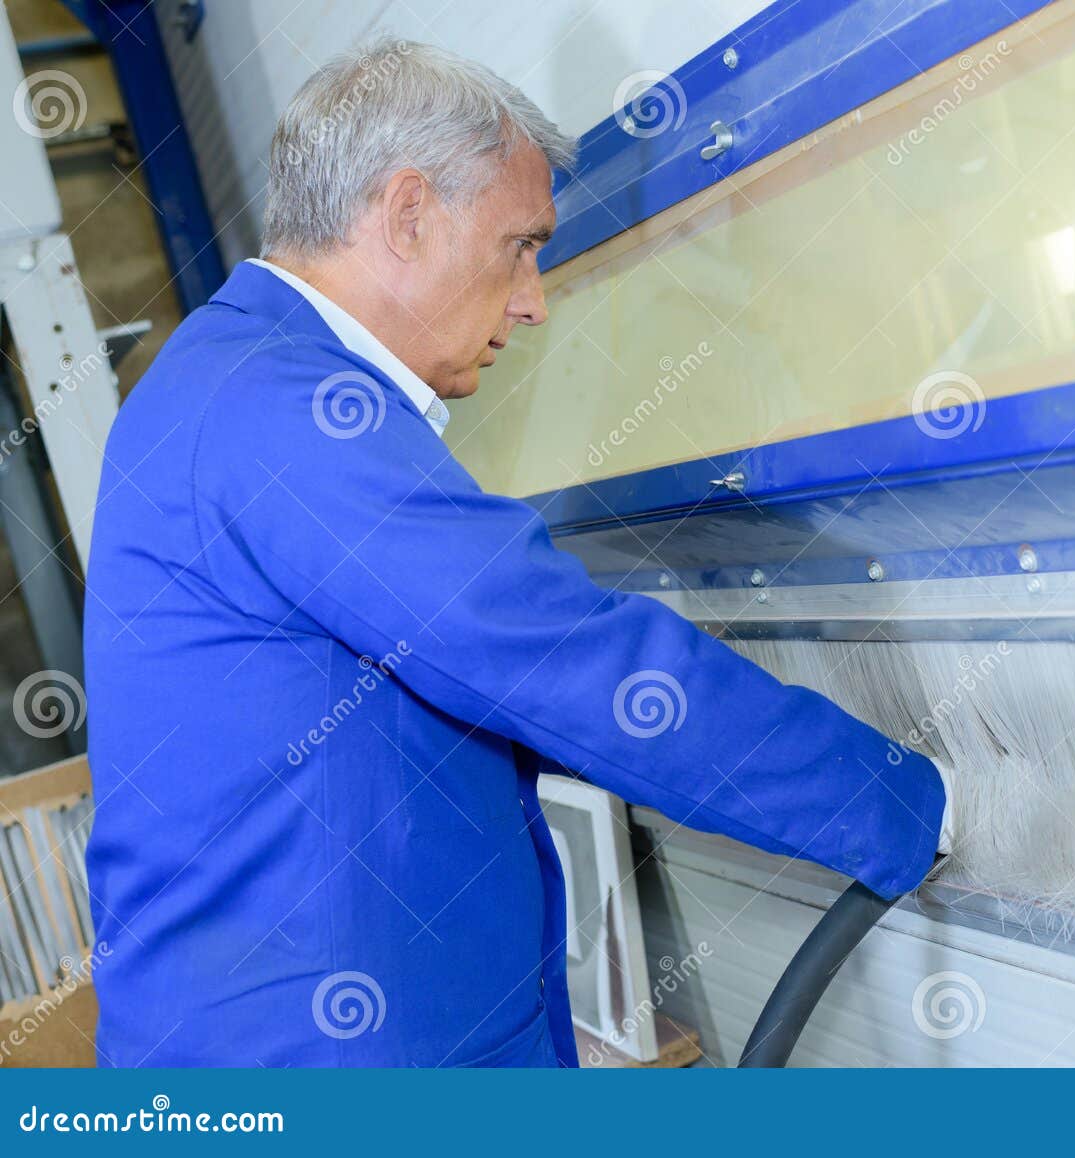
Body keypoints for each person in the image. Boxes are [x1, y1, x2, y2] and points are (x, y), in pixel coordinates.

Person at [83, 37, 949, 1067]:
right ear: (409, 213)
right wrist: (894, 798)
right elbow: (541, 645)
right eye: (520, 246)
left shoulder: (233, 378)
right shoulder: (277, 405)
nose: (533, 300)